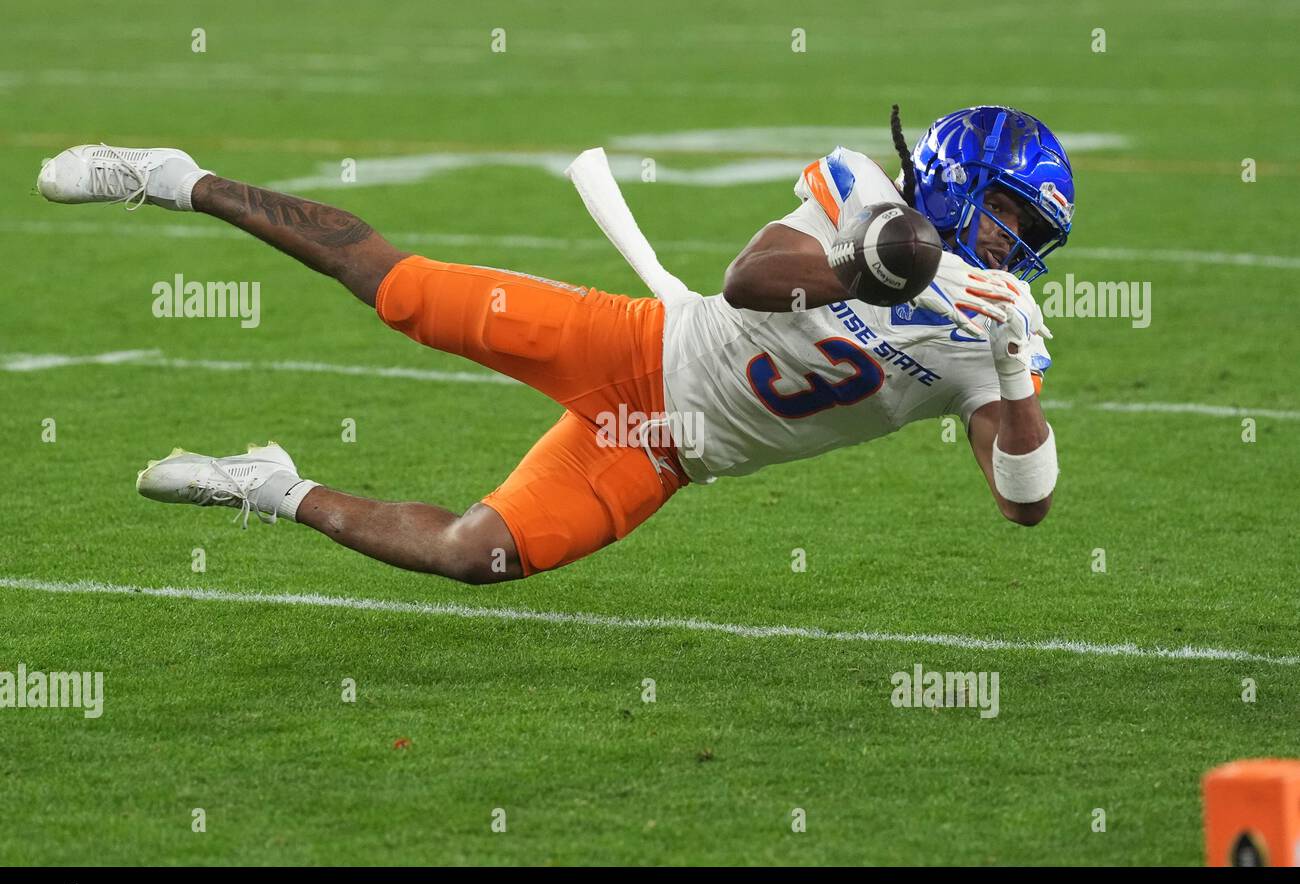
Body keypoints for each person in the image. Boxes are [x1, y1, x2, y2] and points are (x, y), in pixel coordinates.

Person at [36, 105, 1072, 584]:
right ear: (958, 177)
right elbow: (749, 279)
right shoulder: (864, 193)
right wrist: (862, 270)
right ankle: (177, 178)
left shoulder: (994, 331)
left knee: (473, 555)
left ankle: (268, 486)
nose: (1014, 249)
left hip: (665, 451)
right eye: (1009, 220)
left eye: (1030, 238)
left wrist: (1013, 363)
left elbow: (1023, 505)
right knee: (396, 290)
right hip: (634, 346)